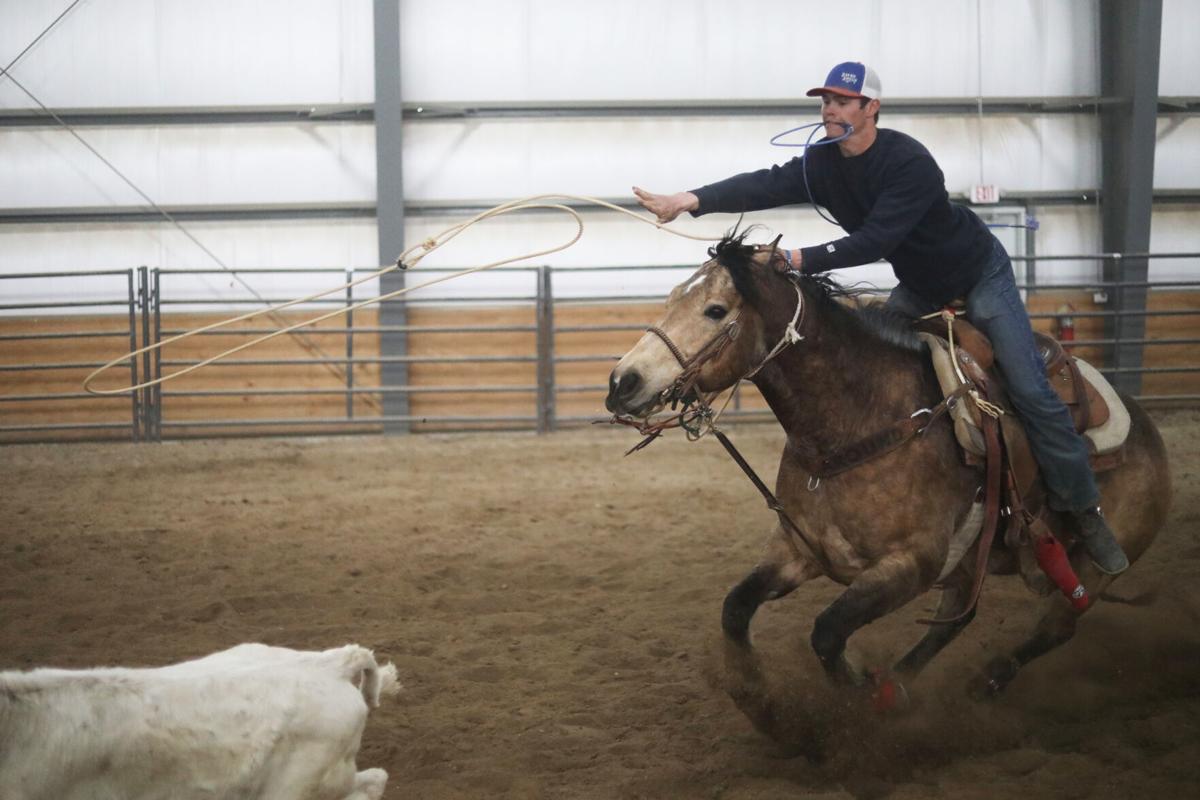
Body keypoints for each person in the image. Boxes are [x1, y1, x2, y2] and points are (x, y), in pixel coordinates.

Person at [633, 61, 1128, 575]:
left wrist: (794, 259)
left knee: (1029, 388)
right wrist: (688, 200)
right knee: (878, 368)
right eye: (825, 101)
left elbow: (876, 240)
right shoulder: (823, 163)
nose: (830, 109)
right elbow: (766, 184)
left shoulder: (909, 162)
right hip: (920, 285)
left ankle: (1083, 510)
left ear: (871, 108)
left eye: (843, 101)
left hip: (980, 274)